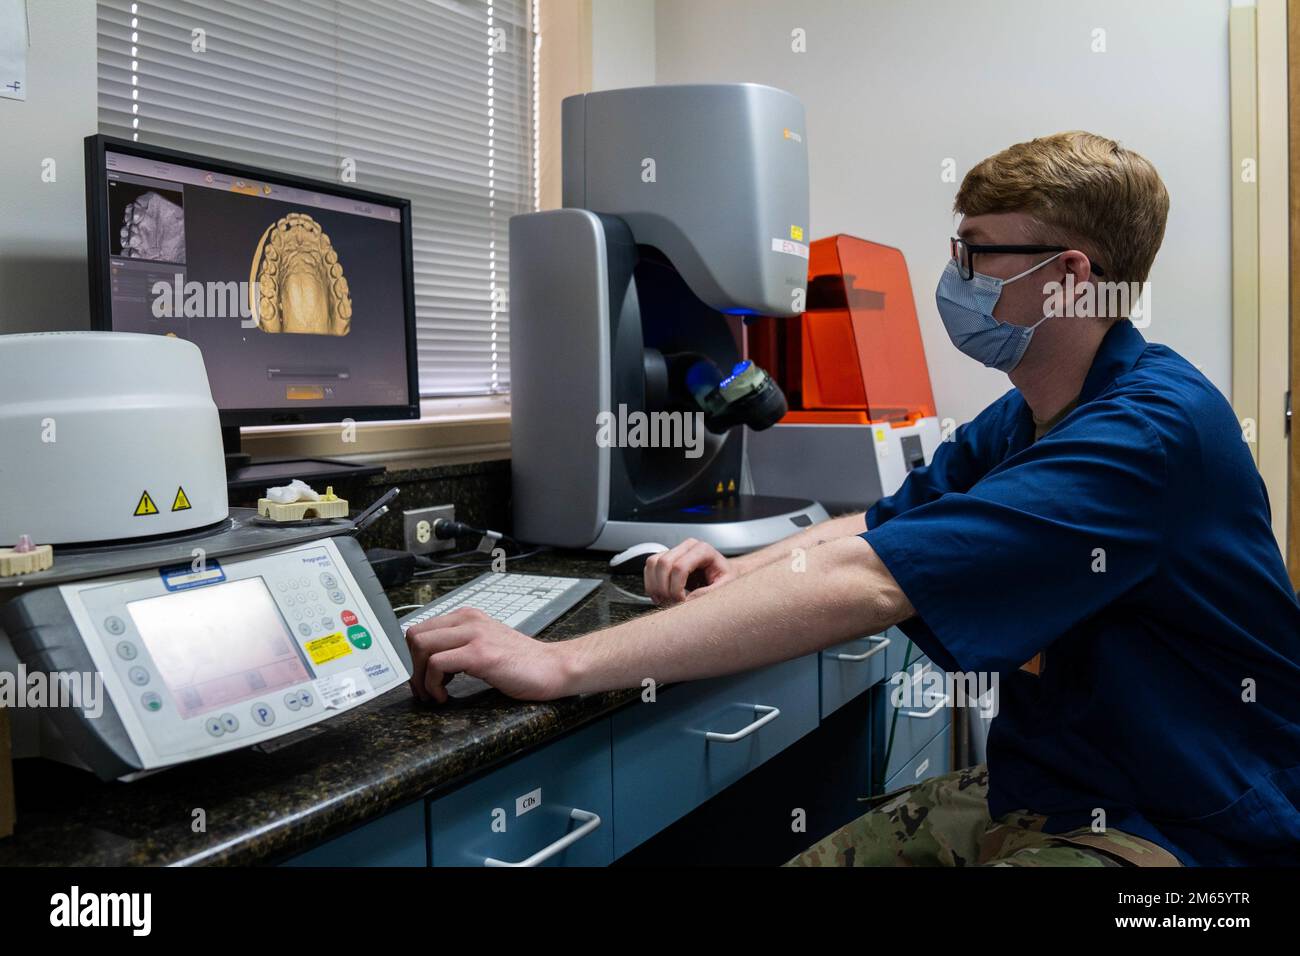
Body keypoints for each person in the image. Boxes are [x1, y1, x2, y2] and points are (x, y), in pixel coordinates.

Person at [406, 132, 1300, 866]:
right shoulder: (1030, 413)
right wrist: (744, 571)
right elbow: (878, 529)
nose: (956, 274)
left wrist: (559, 664)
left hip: (1187, 826)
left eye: (977, 253)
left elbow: (872, 582)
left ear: (1068, 275)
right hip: (1058, 785)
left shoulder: (1147, 433)